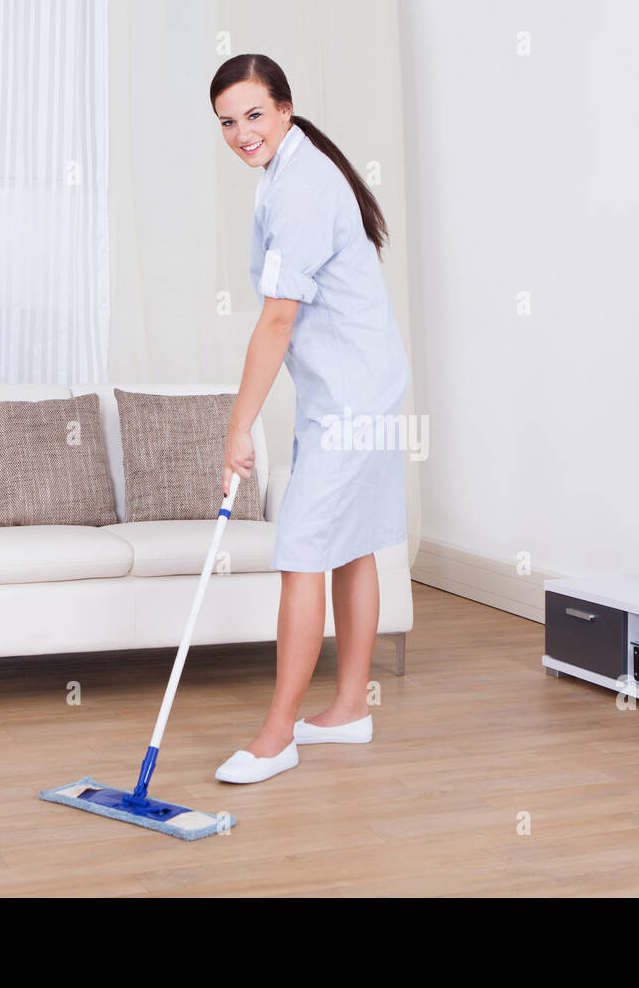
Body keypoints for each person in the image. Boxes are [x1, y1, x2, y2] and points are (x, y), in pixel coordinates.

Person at [210, 54, 410, 784]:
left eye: (254, 115)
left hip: (355, 399)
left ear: (285, 110)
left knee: (300, 549)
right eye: (228, 122)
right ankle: (349, 708)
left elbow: (278, 318)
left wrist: (239, 426)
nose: (242, 132)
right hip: (359, 389)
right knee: (350, 545)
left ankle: (276, 736)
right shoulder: (290, 176)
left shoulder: (300, 186)